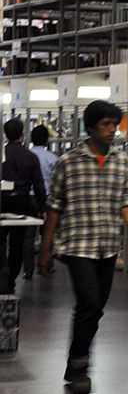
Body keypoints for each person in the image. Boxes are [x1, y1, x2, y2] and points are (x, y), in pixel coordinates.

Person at [39, 100, 128, 394]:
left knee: (96, 307)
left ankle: (78, 358)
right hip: (77, 244)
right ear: (90, 128)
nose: (113, 130)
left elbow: (127, 202)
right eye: (106, 125)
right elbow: (54, 207)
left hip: (108, 244)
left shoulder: (122, 162)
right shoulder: (68, 162)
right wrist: (45, 248)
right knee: (88, 303)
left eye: (115, 124)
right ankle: (79, 365)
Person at [0, 117, 46, 293]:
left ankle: (1, 272)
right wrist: (42, 209)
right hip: (22, 201)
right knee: (17, 243)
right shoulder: (30, 157)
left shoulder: (2, 155)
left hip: (1, 200)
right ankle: (11, 280)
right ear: (22, 134)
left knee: (1, 240)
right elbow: (39, 186)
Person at [22, 124, 59, 280]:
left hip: (28, 198)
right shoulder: (53, 158)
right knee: (47, 233)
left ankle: (28, 270)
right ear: (46, 140)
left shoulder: (26, 156)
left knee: (28, 236)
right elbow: (56, 182)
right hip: (47, 199)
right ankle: (46, 265)